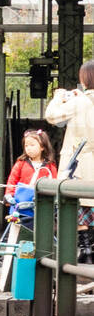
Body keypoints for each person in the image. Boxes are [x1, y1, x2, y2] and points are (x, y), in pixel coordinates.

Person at [44, 61, 94, 262]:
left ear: (85, 78)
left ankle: (87, 249)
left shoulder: (81, 102)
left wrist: (58, 97)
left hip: (81, 163)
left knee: (79, 204)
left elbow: (52, 116)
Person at [4, 129, 57, 205]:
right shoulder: (20, 163)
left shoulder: (50, 166)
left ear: (42, 147)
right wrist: (9, 195)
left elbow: (54, 184)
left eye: (32, 145)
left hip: (42, 204)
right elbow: (12, 180)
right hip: (20, 202)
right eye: (26, 145)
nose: (28, 148)